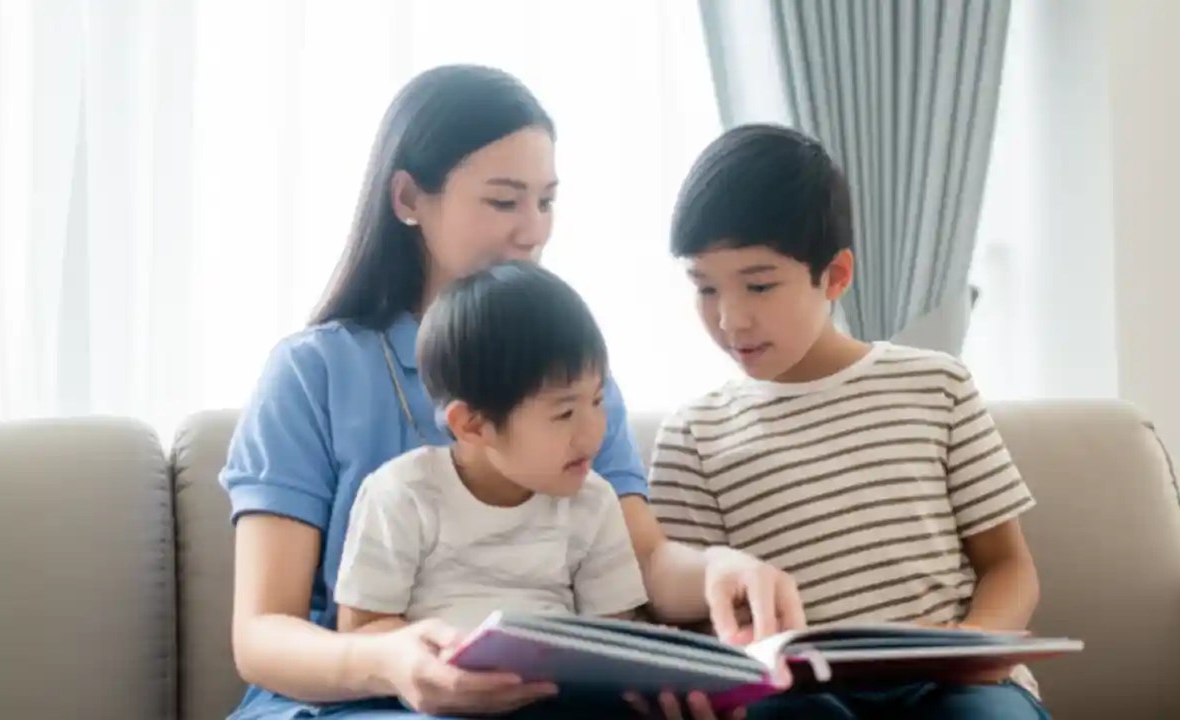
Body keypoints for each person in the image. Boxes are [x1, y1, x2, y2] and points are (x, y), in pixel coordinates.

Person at [219, 65, 801, 720]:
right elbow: (262, 632)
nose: (534, 230)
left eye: (546, 201)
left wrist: (718, 569)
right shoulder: (313, 374)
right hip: (351, 703)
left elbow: (644, 560)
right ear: (409, 197)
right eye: (504, 201)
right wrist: (393, 661)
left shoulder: (576, 386)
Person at [648, 124, 1050, 719]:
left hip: (957, 686)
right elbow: (690, 614)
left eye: (759, 285)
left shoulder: (937, 385)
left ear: (835, 275)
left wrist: (974, 645)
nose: (730, 320)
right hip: (799, 696)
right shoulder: (693, 436)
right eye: (705, 287)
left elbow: (1009, 565)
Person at [333, 260, 647, 715]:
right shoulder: (403, 492)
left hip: (555, 700)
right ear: (473, 424)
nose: (594, 431)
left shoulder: (592, 498)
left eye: (598, 400)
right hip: (441, 698)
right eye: (564, 413)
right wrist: (435, 665)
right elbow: (362, 627)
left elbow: (612, 633)